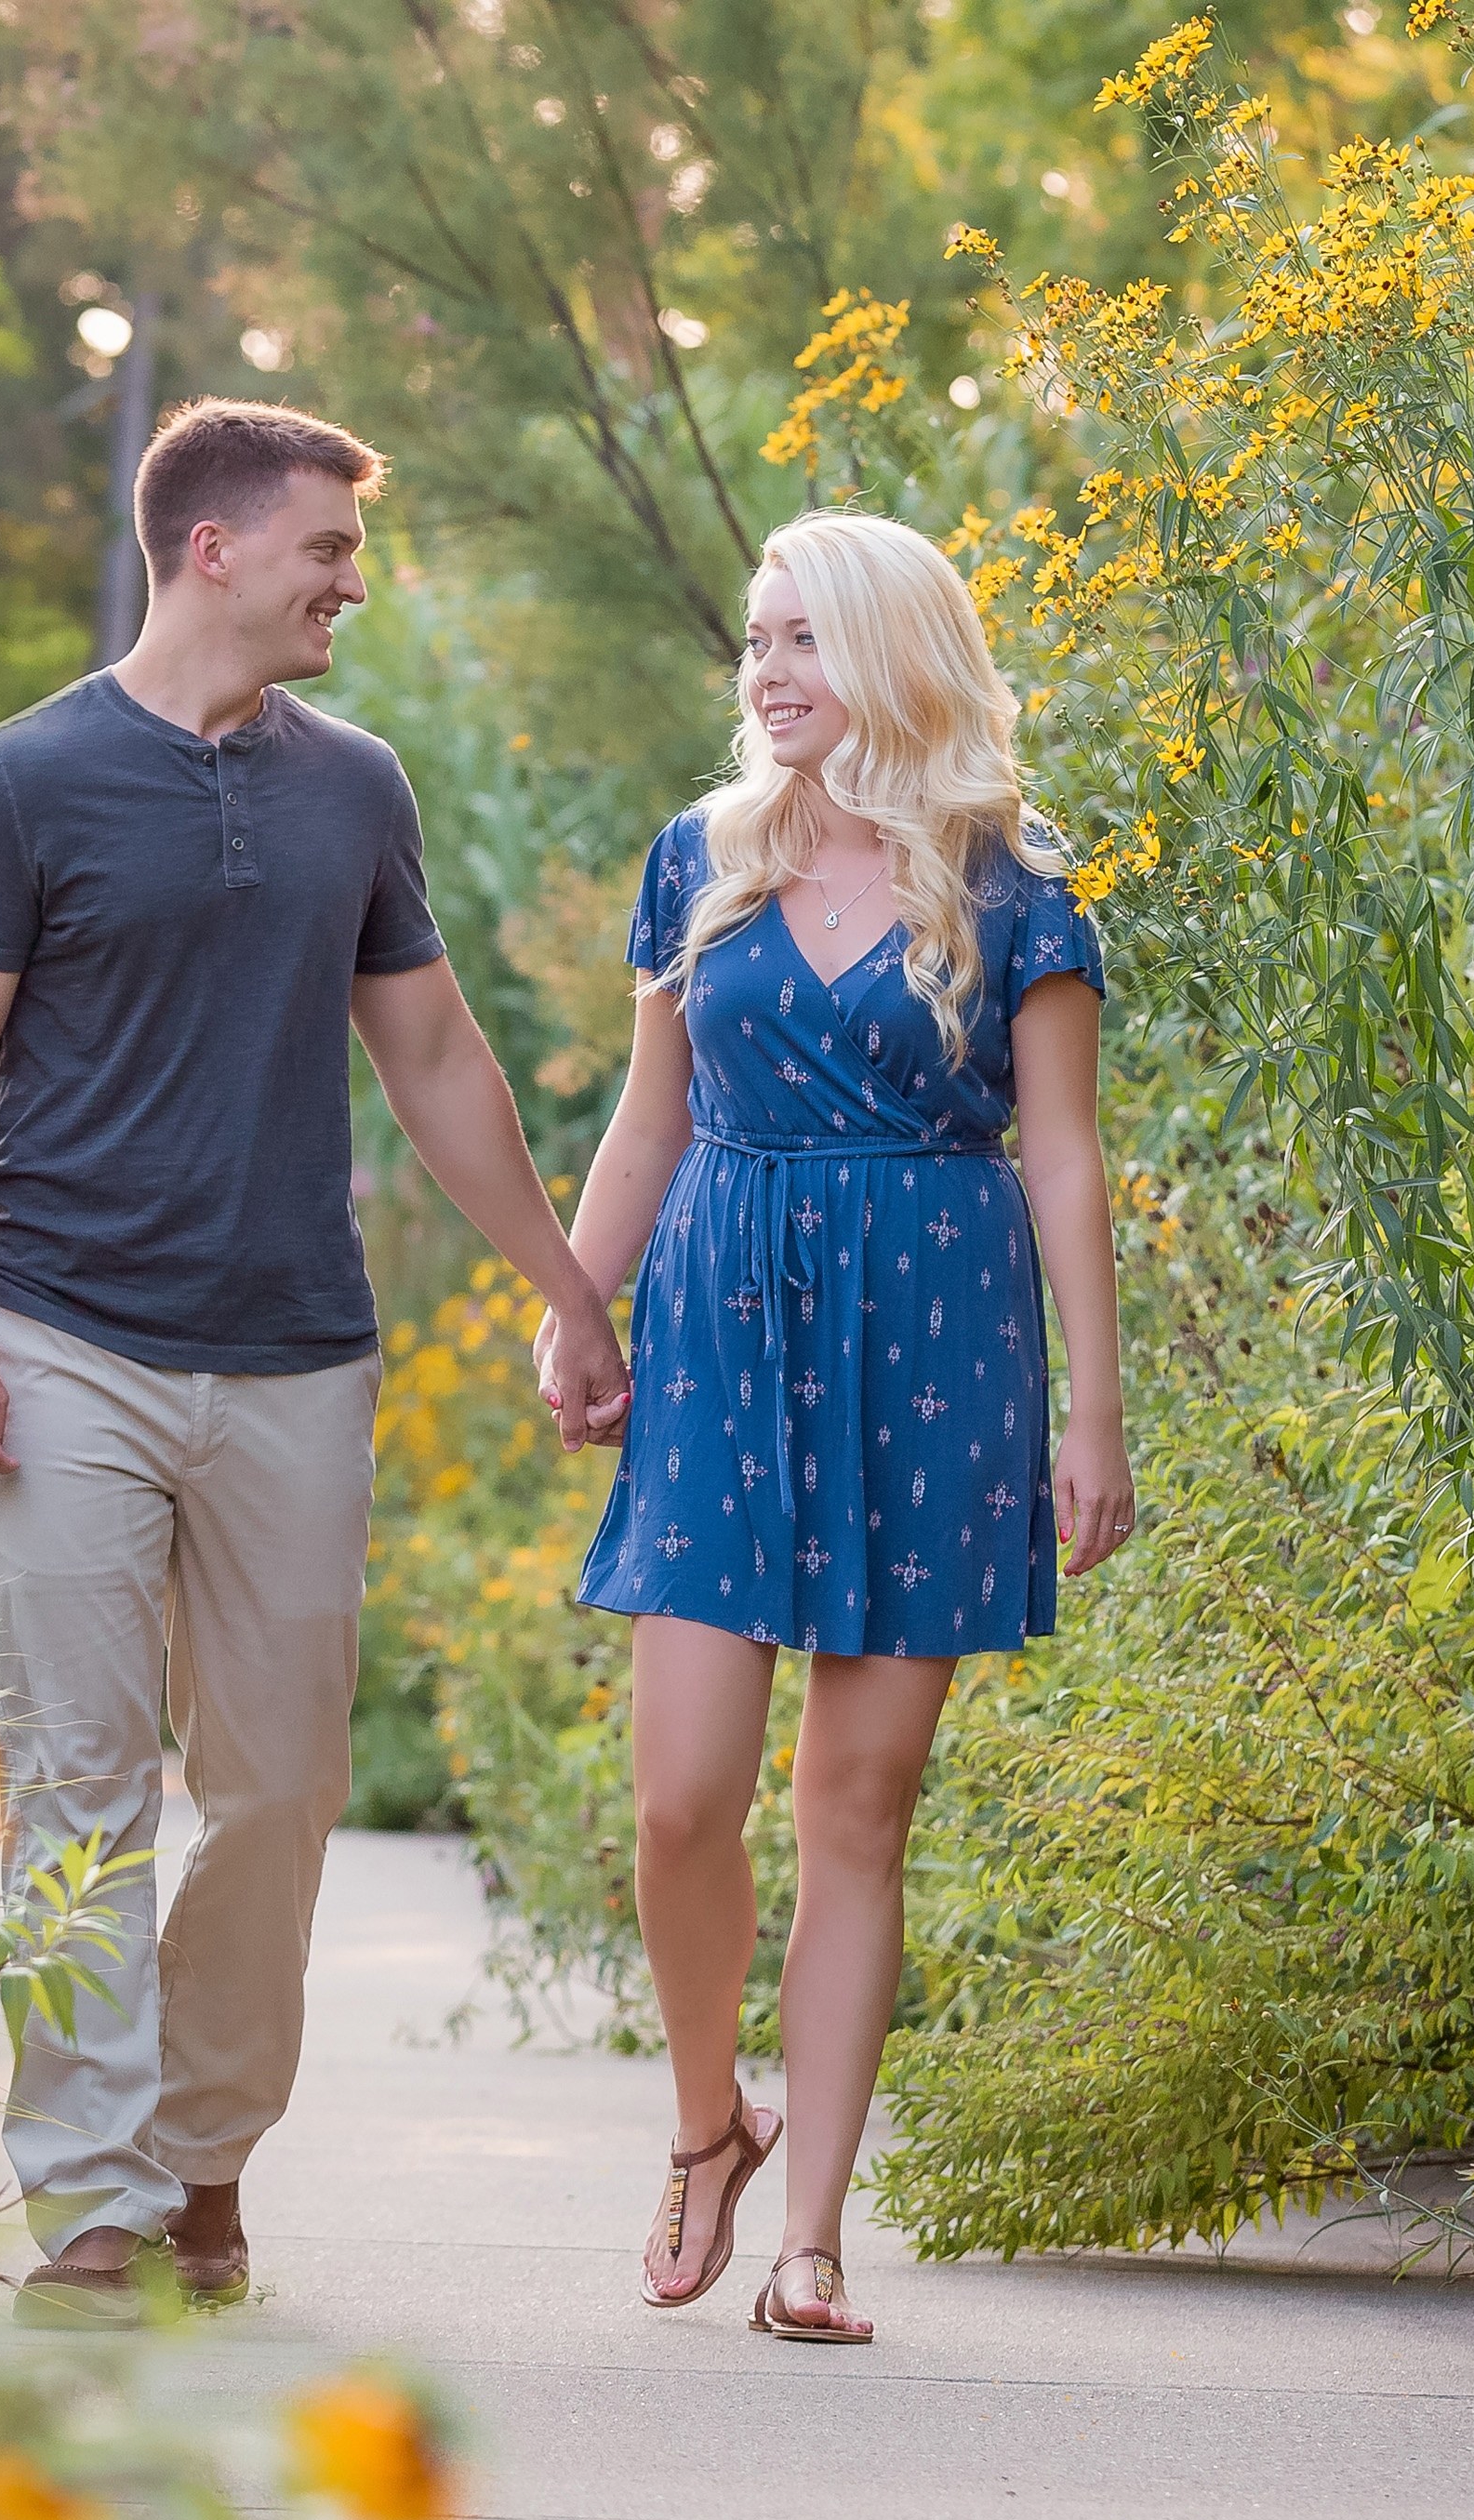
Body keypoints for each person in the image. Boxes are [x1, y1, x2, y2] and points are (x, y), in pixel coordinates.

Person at [0, 397, 631, 2328]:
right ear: (213, 546)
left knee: (284, 1778)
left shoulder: (354, 788)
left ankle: (208, 2145)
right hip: (61, 1339)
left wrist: (565, 1280)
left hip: (296, 1352)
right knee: (77, 1777)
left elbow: (442, 1062)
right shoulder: (19, 784)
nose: (353, 584)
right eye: (329, 548)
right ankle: (98, 2205)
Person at [532, 510, 1134, 2343]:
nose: (770, 672)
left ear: (888, 653)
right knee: (680, 1799)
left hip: (936, 1339)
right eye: (758, 642)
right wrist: (576, 1301)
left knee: (857, 1811)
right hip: (718, 1334)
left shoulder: (1012, 876)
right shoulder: (699, 861)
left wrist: (1093, 1414)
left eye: (804, 638)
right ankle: (709, 2130)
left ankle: (814, 2243)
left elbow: (1062, 1154)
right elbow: (648, 1122)